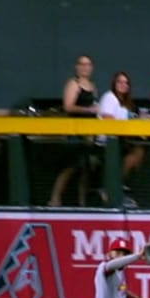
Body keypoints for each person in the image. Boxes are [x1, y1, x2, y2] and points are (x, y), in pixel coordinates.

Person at [48, 55, 99, 207]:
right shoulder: (73, 84)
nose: (85, 67)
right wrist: (88, 110)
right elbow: (68, 106)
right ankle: (55, 199)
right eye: (82, 64)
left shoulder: (92, 86)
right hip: (74, 132)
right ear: (76, 67)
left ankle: (82, 203)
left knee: (85, 169)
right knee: (70, 166)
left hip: (89, 134)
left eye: (88, 64)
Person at [96, 71, 146, 205]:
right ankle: (110, 188)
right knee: (134, 154)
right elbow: (108, 120)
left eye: (126, 83)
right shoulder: (109, 97)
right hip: (106, 143)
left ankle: (117, 187)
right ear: (114, 83)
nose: (123, 85)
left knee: (139, 151)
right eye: (120, 82)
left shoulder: (125, 102)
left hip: (121, 141)